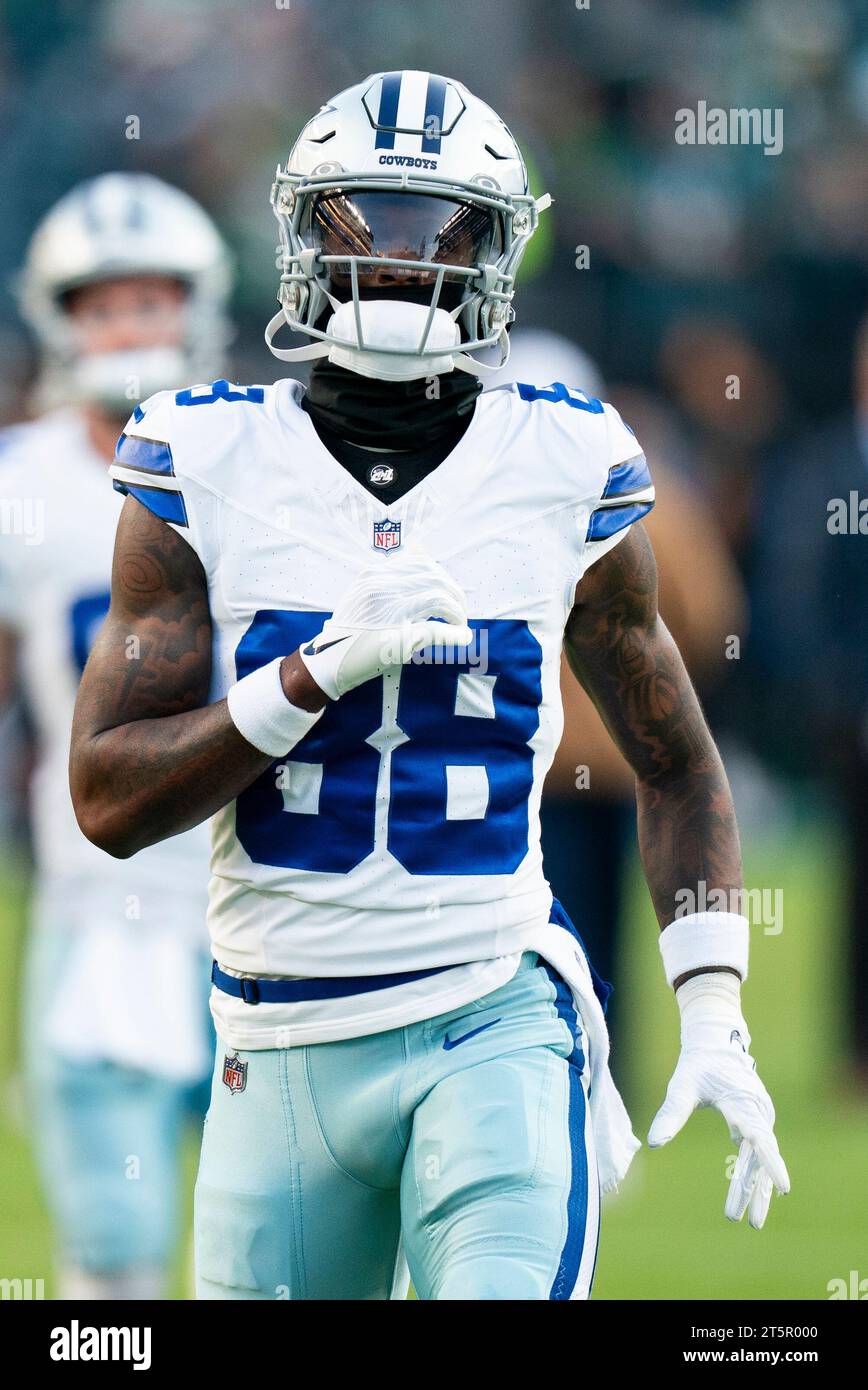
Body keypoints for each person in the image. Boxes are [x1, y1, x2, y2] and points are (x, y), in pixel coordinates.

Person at [69, 73, 788, 1301]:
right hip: (275, 1041)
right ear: (301, 235)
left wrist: (713, 1001)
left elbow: (673, 755)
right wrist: (306, 678)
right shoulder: (204, 456)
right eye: (368, 227)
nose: (402, 266)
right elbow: (108, 799)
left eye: (441, 232)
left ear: (502, 251)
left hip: (491, 1014)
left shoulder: (564, 460)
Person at [0, 172, 231, 1298]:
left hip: (267, 900)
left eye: (151, 300)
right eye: (105, 304)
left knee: (283, 1244)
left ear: (198, 306)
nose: (131, 326)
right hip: (101, 902)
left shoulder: (260, 459)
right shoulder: (23, 484)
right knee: (112, 1243)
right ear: (61, 318)